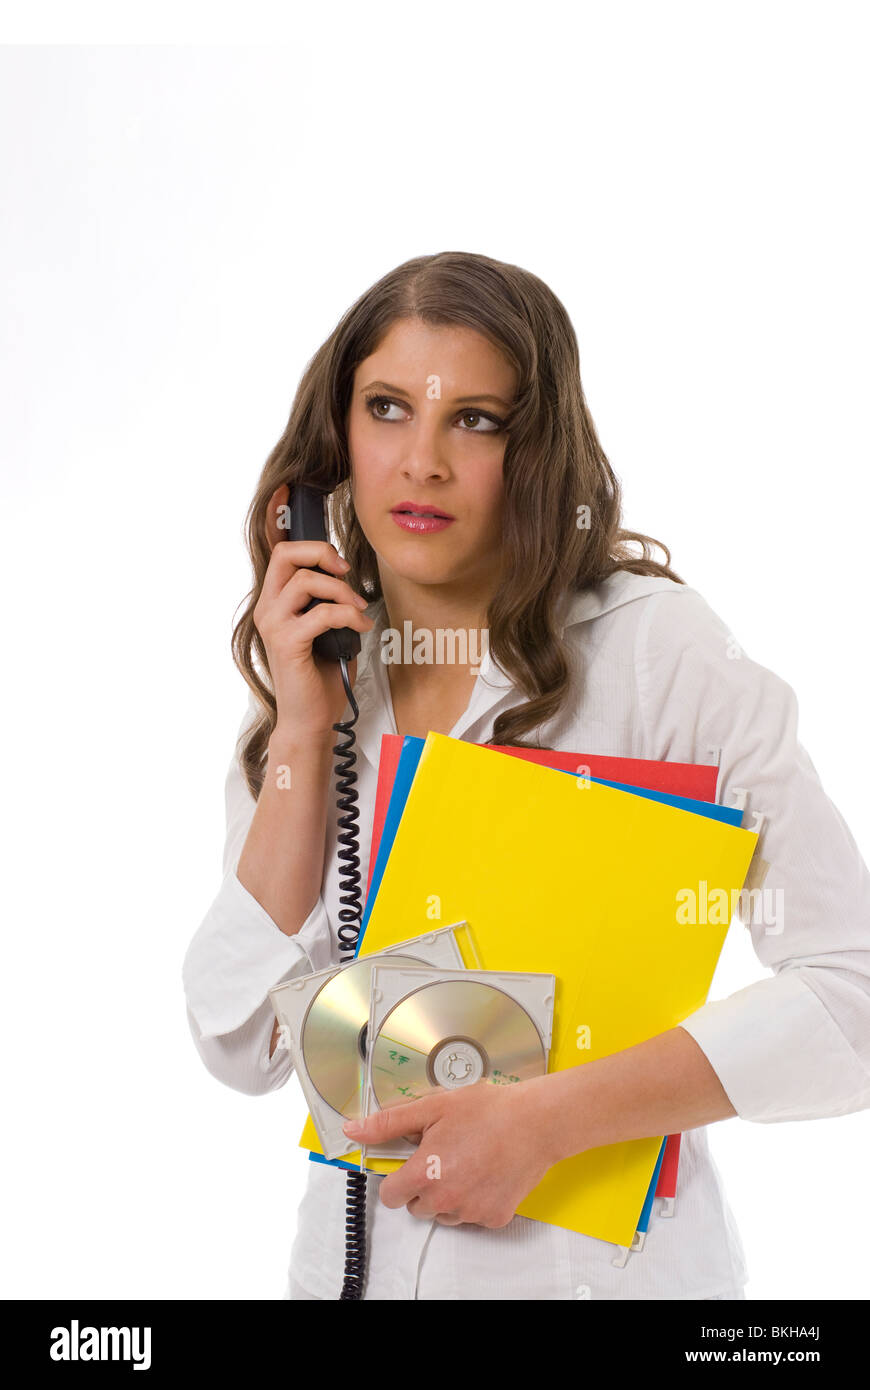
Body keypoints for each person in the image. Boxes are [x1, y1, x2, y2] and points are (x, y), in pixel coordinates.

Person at [181, 250, 870, 1301]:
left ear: (538, 449)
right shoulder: (314, 688)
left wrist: (548, 1119)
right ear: (331, 453)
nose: (421, 462)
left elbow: (851, 993)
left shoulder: (661, 653)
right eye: (386, 408)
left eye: (476, 419)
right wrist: (304, 734)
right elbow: (243, 1042)